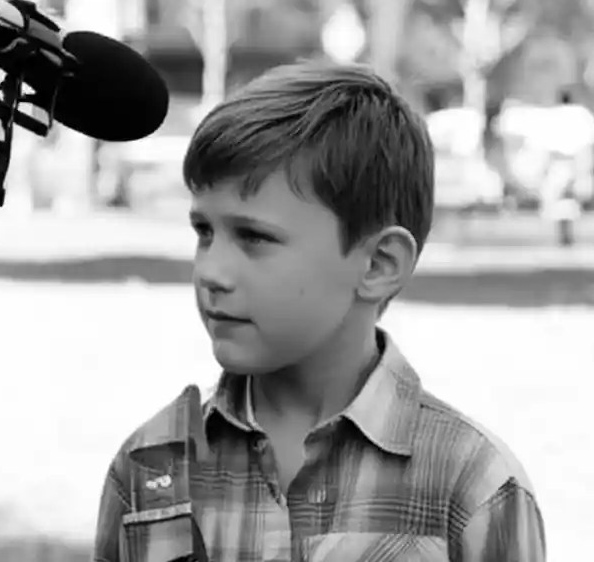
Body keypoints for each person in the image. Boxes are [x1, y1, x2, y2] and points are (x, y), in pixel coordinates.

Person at [92, 62, 545, 562]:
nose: (211, 272)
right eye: (204, 231)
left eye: (254, 237)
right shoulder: (149, 470)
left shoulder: (470, 486)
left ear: (378, 264)